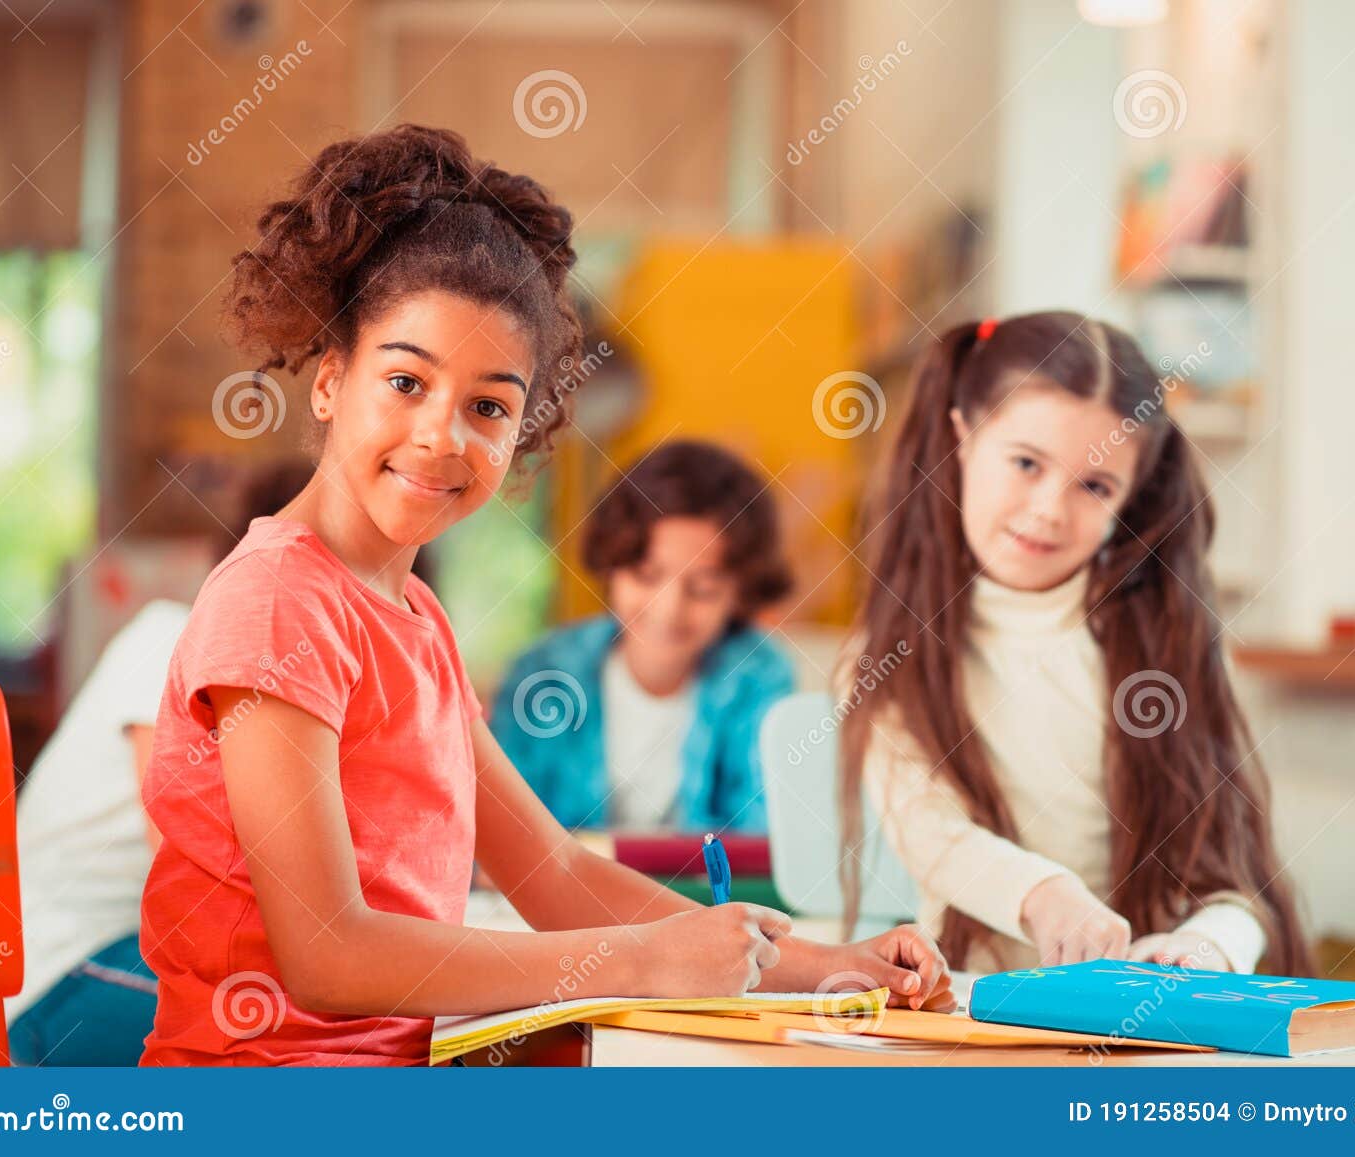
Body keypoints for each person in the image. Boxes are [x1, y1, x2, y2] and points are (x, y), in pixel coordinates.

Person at [137, 124, 953, 1067]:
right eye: (405, 380)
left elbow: (554, 870)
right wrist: (643, 958)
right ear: (330, 380)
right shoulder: (279, 599)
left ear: (522, 430)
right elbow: (327, 952)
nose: (444, 434)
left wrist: (822, 963)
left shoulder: (411, 618)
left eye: (489, 406)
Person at [837, 312, 1312, 976]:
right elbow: (933, 837)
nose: (1050, 510)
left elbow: (1236, 888)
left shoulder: (1169, 635)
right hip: (975, 1013)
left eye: (1095, 485)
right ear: (963, 436)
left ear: (1130, 497)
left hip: (1149, 1031)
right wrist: (1048, 895)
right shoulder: (884, 657)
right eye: (1027, 462)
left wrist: (1211, 946)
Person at [7, 460, 313, 1066]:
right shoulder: (172, 638)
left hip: (152, 956)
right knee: (306, 1035)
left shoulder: (286, 691)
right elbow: (191, 871)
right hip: (67, 972)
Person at [492, 440, 794, 832]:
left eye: (704, 588)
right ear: (611, 565)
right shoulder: (544, 672)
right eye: (646, 576)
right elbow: (500, 834)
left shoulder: (758, 678)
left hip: (701, 897)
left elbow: (765, 837)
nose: (669, 609)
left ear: (741, 592)